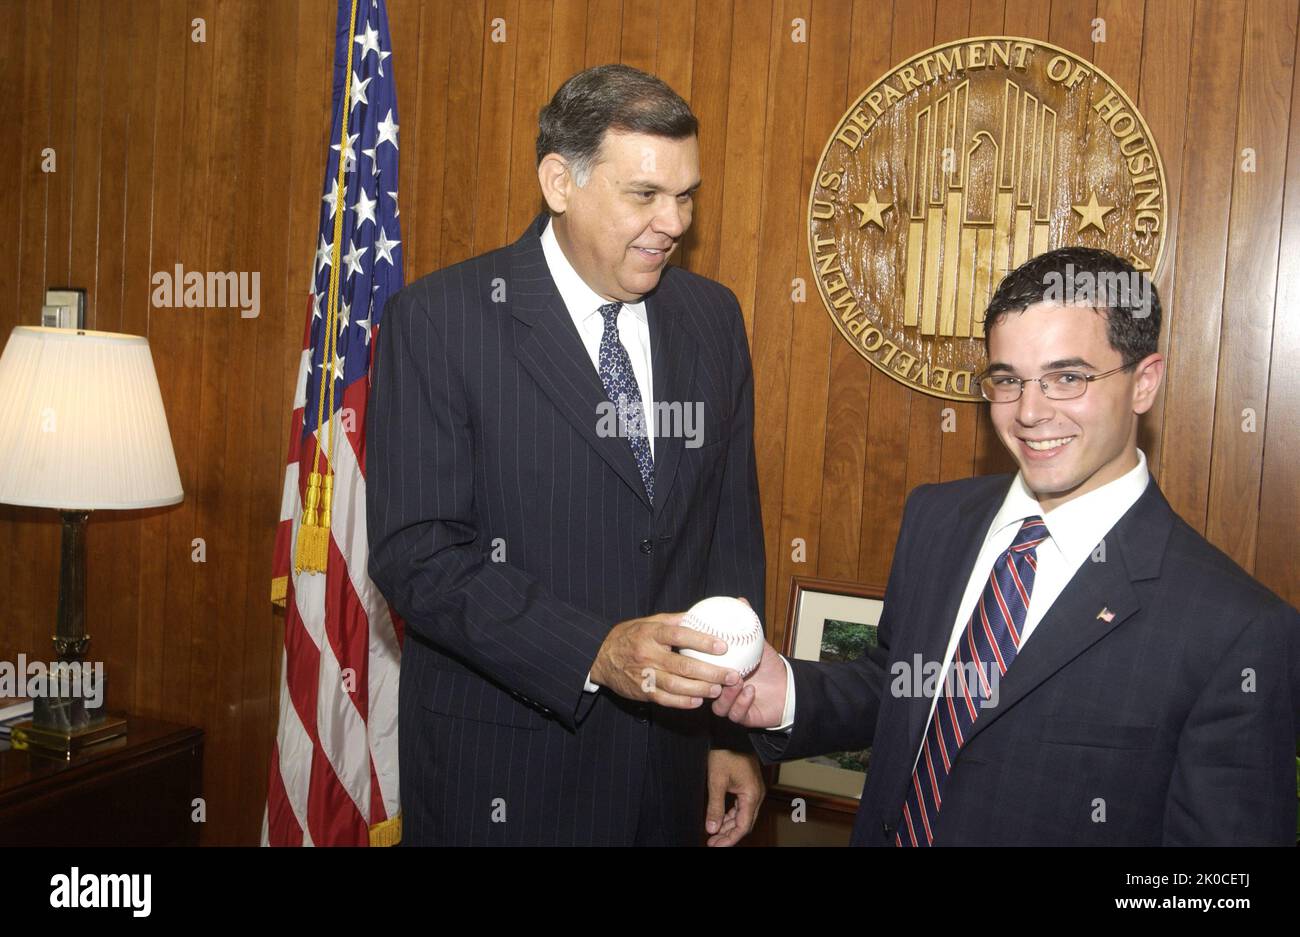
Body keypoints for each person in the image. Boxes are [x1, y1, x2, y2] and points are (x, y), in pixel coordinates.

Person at [716, 247, 1300, 845]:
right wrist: (787, 693)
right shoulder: (938, 518)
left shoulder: (1237, 629)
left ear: (1144, 382)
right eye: (1008, 380)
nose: (1029, 412)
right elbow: (901, 686)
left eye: (1067, 378)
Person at [367, 64, 767, 846]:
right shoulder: (441, 321)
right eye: (644, 195)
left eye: (686, 194)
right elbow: (416, 555)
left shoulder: (712, 318)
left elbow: (729, 533)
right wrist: (594, 650)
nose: (674, 221)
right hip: (505, 777)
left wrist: (730, 731)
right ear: (559, 181)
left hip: (668, 773)